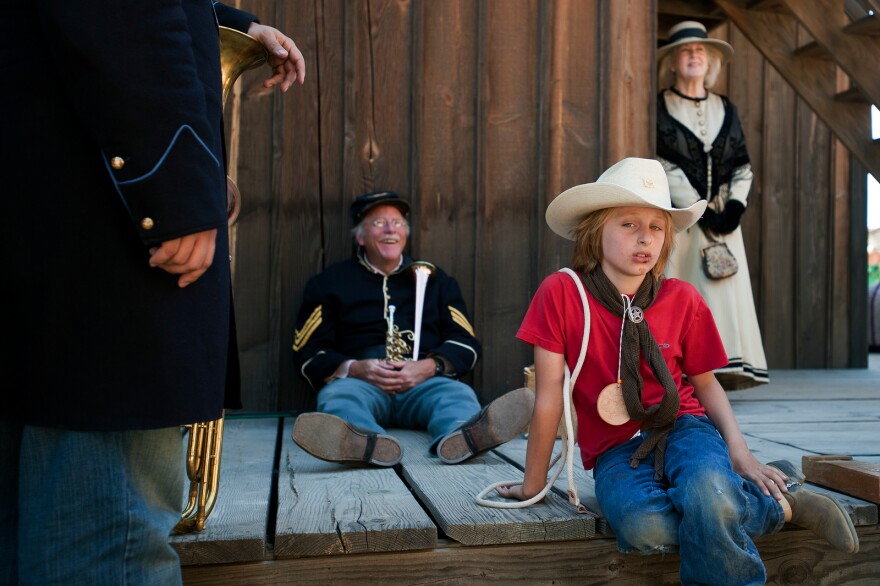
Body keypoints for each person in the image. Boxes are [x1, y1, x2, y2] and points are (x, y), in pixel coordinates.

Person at [0, 2, 305, 584]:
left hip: (45, 226)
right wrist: (176, 186)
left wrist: (229, 22)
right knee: (108, 544)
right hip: (101, 241)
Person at [495, 158, 859, 585]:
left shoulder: (683, 298)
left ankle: (732, 490)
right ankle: (777, 506)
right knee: (644, 526)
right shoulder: (561, 292)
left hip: (685, 426)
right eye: (629, 224)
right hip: (616, 448)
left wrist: (741, 456)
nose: (645, 238)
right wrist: (533, 484)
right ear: (595, 232)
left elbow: (708, 387)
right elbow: (550, 397)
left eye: (657, 226)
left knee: (710, 494)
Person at [291, 191, 533, 466]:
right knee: (336, 397)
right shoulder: (328, 283)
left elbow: (465, 342)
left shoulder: (438, 281)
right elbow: (307, 352)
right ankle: (364, 443)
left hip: (423, 381)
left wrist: (430, 367)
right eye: (379, 223)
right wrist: (356, 368)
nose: (390, 229)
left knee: (457, 395)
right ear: (359, 236)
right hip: (361, 384)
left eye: (397, 223)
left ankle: (463, 437)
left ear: (405, 234)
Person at [656, 20, 768, 390]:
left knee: (722, 293)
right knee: (683, 288)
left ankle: (721, 373)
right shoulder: (659, 107)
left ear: (710, 61)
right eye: (685, 50)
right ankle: (683, 375)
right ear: (672, 61)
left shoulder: (726, 108)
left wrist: (733, 207)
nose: (693, 55)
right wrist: (696, 207)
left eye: (700, 50)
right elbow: (663, 163)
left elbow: (742, 165)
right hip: (683, 220)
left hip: (724, 224)